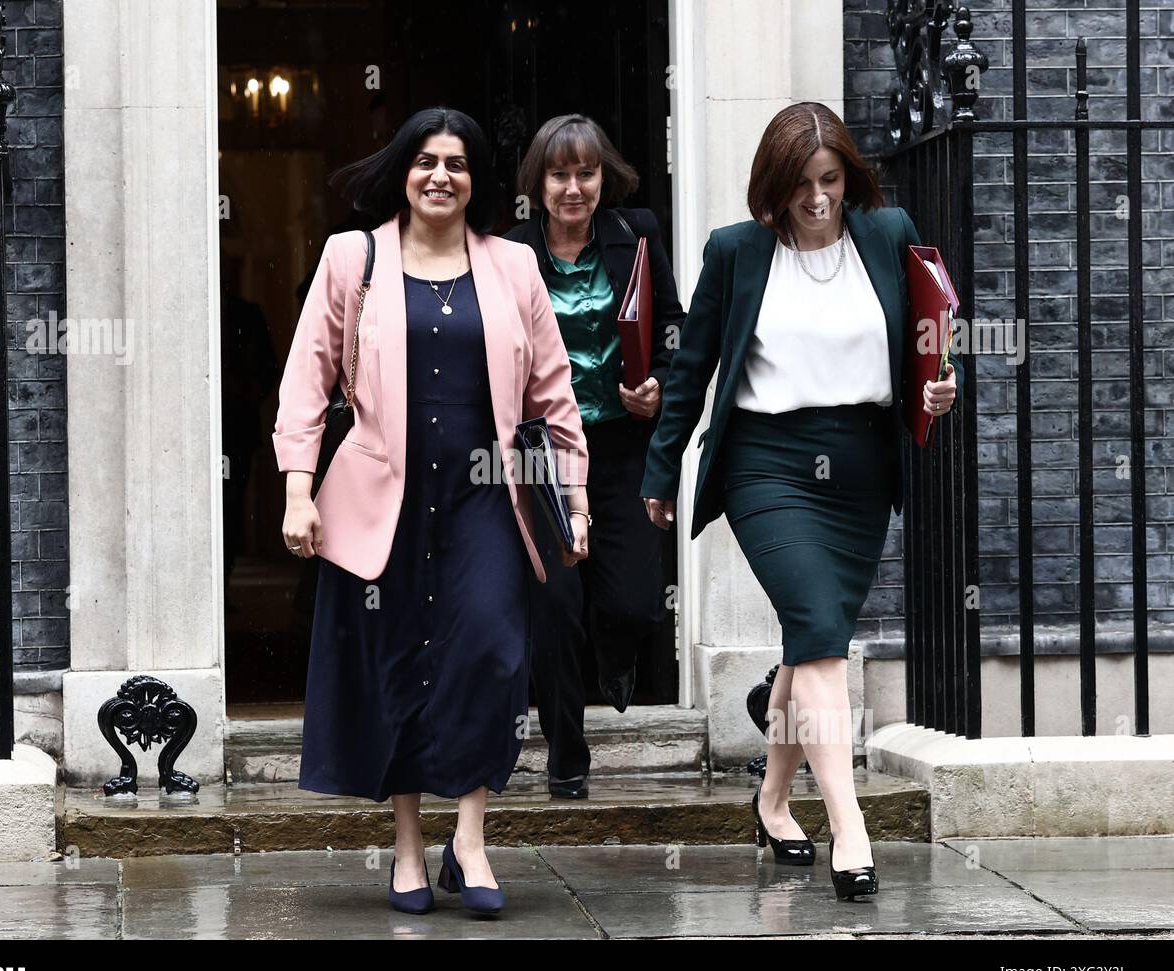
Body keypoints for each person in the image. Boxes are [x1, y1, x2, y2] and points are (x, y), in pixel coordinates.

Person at [273, 107, 590, 916]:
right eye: (424, 161)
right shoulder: (355, 258)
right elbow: (306, 380)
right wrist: (297, 490)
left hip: (489, 495)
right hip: (385, 498)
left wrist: (575, 502)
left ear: (476, 179)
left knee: (488, 650)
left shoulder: (513, 266)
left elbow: (555, 393)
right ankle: (409, 846)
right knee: (401, 663)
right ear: (403, 173)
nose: (439, 175)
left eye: (456, 162)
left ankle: (472, 839)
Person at [640, 101, 961, 902]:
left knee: (805, 648)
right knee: (821, 641)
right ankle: (848, 829)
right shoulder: (737, 253)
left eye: (830, 181)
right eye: (801, 185)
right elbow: (692, 372)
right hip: (767, 467)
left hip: (859, 470)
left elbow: (929, 340)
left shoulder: (887, 236)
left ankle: (773, 799)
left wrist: (941, 387)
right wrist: (660, 471)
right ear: (773, 187)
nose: (817, 200)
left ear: (849, 178)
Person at [505, 114, 685, 800]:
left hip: (621, 449)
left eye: (586, 173)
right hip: (544, 457)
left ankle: (616, 657)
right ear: (539, 183)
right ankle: (566, 752)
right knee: (555, 607)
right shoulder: (512, 249)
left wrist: (659, 385)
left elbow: (674, 324)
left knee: (636, 602)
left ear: (604, 177)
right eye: (559, 174)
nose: (573, 187)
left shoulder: (635, 235)